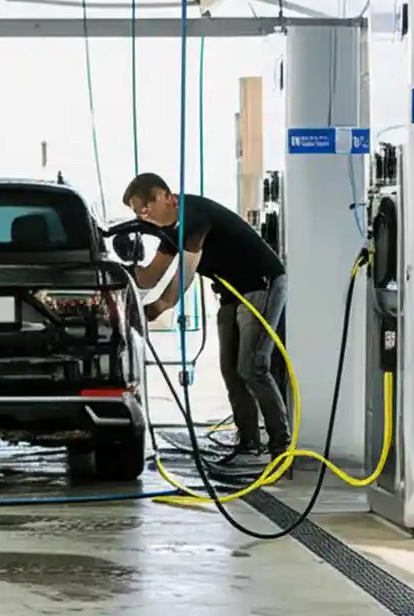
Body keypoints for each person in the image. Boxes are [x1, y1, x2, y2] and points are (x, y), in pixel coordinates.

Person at [122, 173, 289, 468]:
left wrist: (161, 305)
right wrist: (118, 270)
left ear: (164, 196)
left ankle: (281, 447)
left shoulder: (194, 215)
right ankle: (249, 444)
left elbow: (185, 272)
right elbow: (150, 275)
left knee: (252, 367)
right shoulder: (170, 231)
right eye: (137, 214)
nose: (142, 218)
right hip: (230, 293)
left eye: (143, 209)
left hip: (261, 284)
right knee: (230, 370)